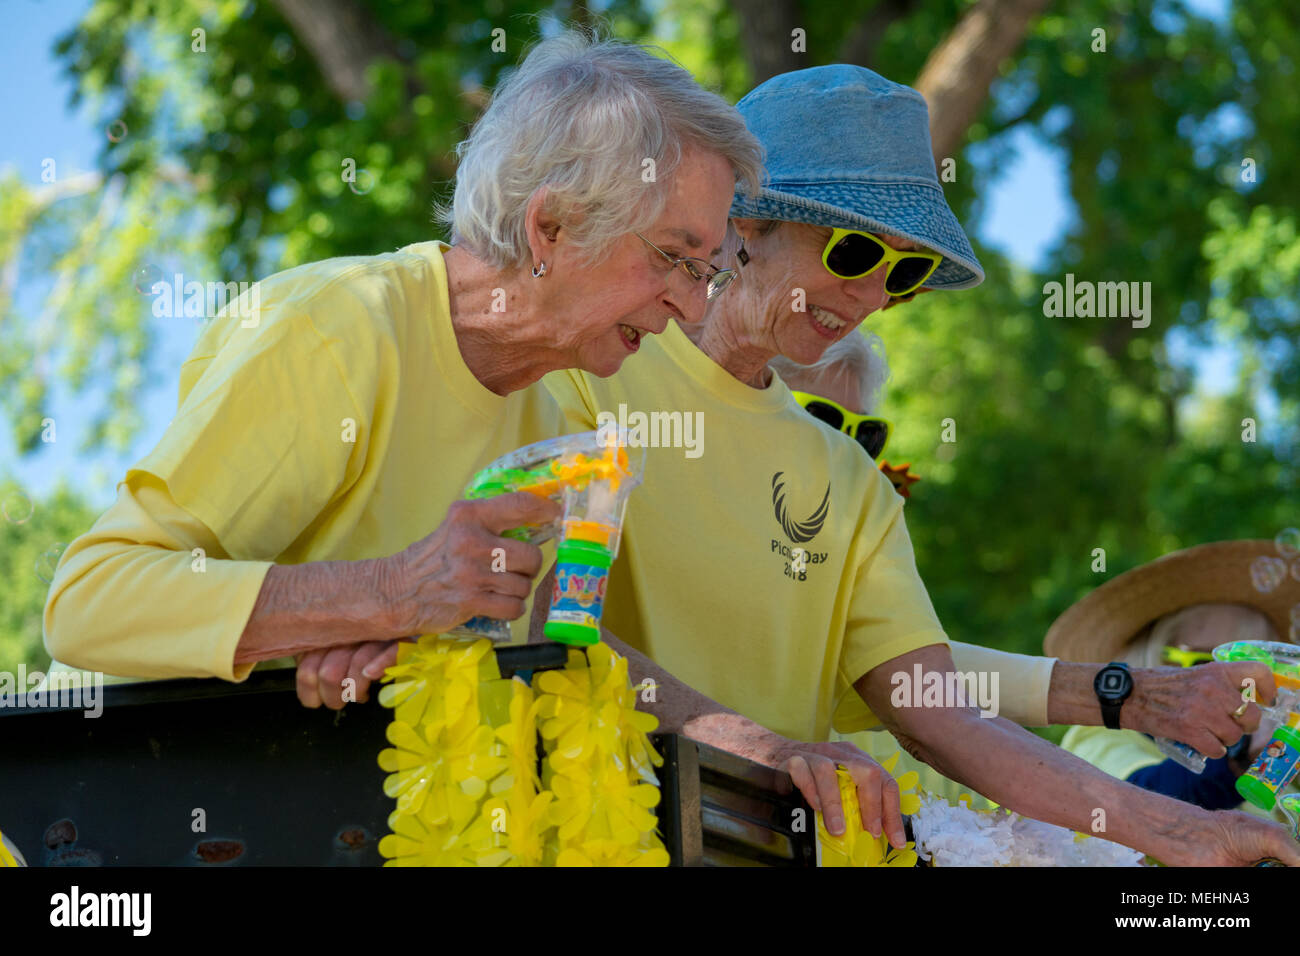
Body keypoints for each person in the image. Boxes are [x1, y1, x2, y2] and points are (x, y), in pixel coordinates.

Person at [539, 63, 1299, 864]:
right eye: (854, 249)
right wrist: (748, 742)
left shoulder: (855, 484)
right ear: (742, 222)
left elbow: (939, 712)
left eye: (901, 272)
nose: (871, 298)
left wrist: (1180, 829)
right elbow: (545, 618)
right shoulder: (592, 371)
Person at [41, 32, 762, 704]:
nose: (693, 309)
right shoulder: (334, 329)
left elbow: (556, 649)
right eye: (674, 257)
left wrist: (766, 748)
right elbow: (88, 603)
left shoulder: (569, 401)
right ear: (551, 227)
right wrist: (385, 592)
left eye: (709, 272)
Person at [775, 335, 1277, 809]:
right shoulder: (1098, 737)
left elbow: (943, 706)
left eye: (865, 437)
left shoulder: (934, 710)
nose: (1219, 688)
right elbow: (1128, 817)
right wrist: (1225, 751)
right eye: (1189, 662)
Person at [1045, 543, 1299, 813]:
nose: (1238, 683)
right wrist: (1240, 757)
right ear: (1148, 655)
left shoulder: (1277, 765)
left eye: (1258, 670)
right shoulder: (1099, 733)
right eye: (1204, 662)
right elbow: (1135, 806)